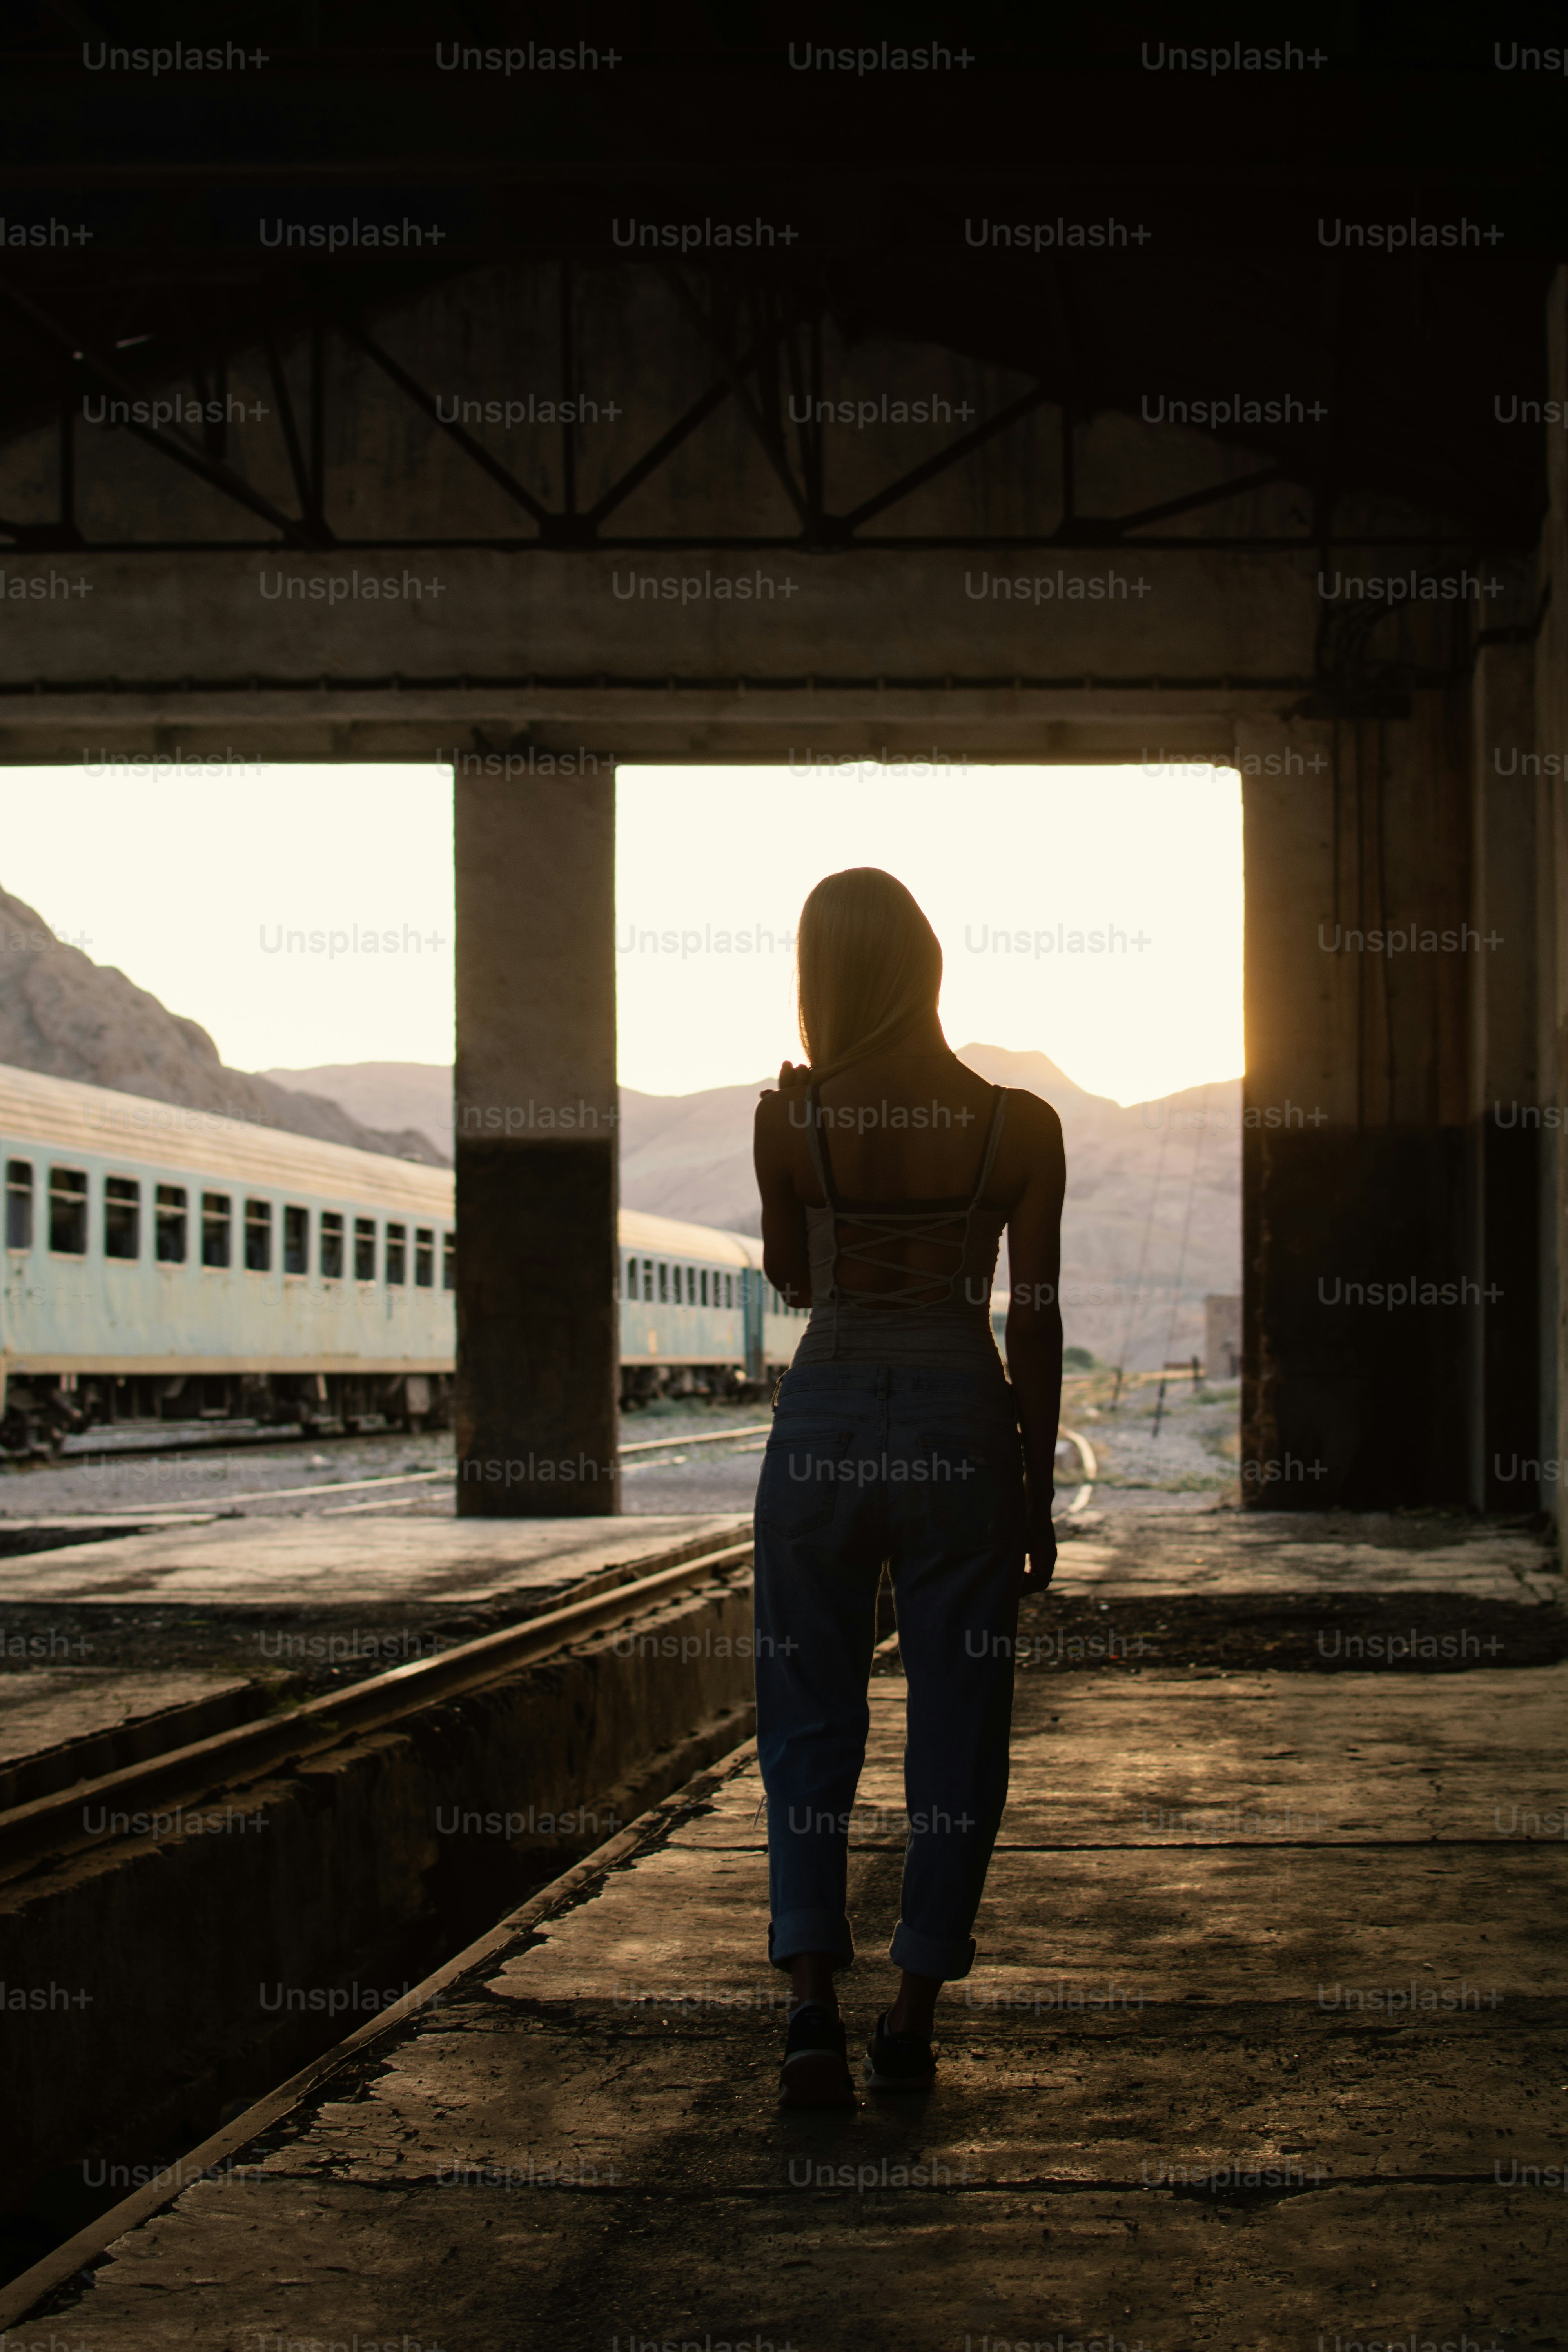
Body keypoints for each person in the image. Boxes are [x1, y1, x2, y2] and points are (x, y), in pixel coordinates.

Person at [751, 866, 1065, 2105]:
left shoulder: (790, 1117)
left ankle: (811, 2016)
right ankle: (914, 2017)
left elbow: (790, 1281)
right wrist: (1032, 1486)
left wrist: (798, 1135)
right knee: (959, 1726)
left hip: (824, 1415)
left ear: (823, 976)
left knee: (808, 1719)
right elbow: (1034, 1321)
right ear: (927, 964)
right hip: (961, 1413)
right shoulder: (1019, 1125)